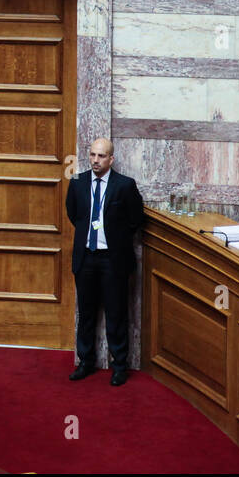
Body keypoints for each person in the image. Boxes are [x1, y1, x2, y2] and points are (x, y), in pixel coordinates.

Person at [65, 138, 144, 386]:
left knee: (116, 313)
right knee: (86, 313)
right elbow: (73, 213)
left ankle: (119, 366)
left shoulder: (124, 186)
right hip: (86, 256)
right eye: (92, 155)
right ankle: (85, 362)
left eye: (101, 156)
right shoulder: (77, 183)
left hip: (113, 260)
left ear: (111, 159)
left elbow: (136, 219)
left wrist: (117, 238)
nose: (95, 160)